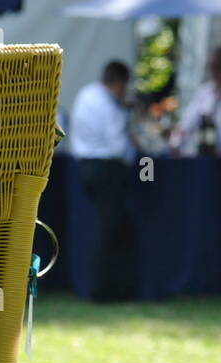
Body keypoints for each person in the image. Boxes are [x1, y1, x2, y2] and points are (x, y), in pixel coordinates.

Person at [69, 60, 137, 302]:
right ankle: (105, 291)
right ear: (120, 83)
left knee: (105, 228)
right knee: (108, 231)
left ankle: (103, 288)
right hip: (106, 169)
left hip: (87, 166)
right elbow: (118, 145)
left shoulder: (87, 94)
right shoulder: (108, 104)